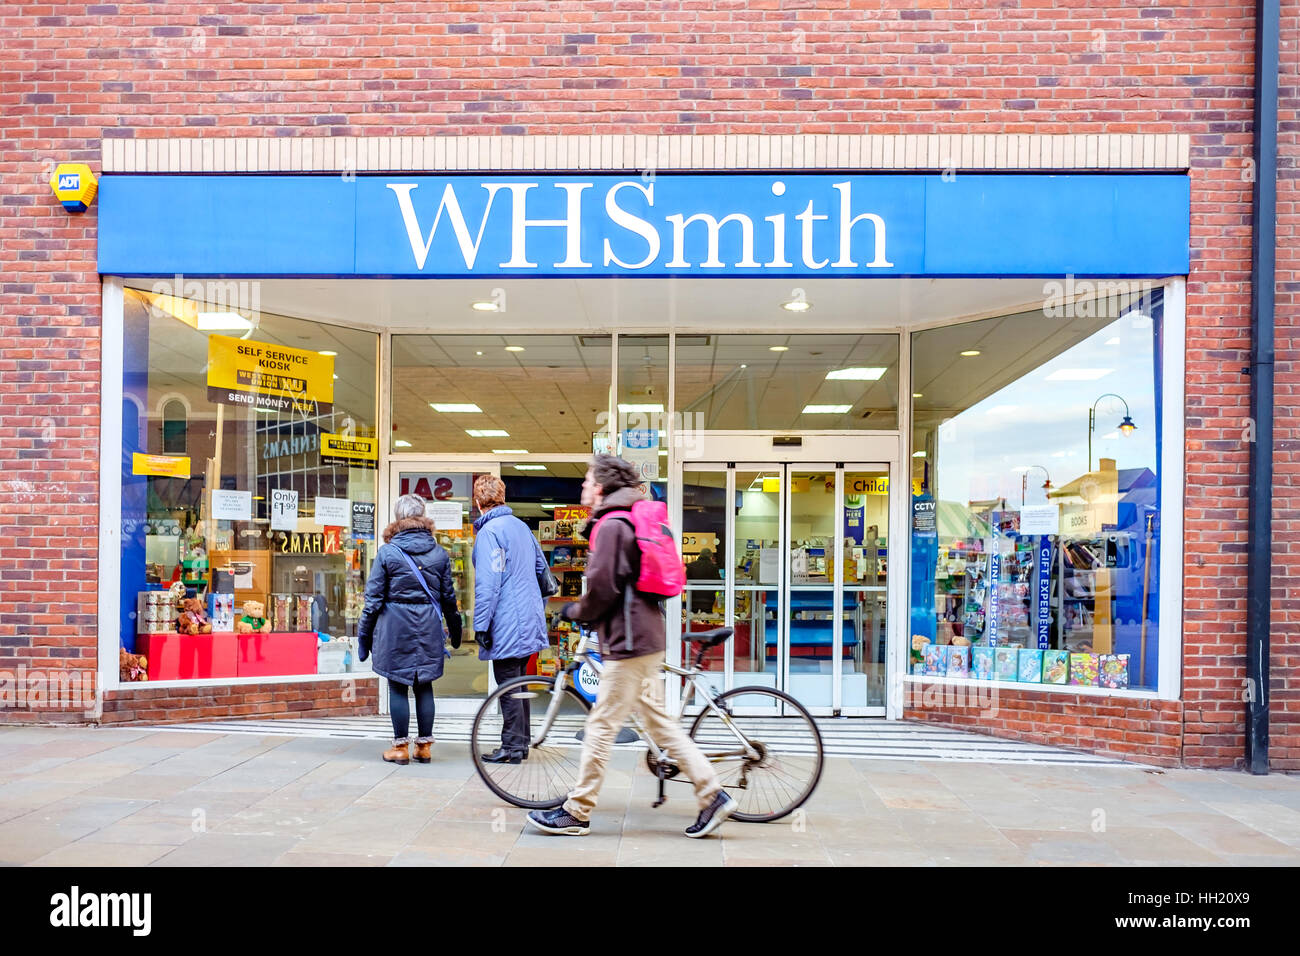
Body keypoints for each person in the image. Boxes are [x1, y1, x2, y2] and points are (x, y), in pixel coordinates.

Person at [527, 454, 737, 838]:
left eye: (588, 480)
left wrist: (576, 609)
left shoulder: (610, 526)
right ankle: (713, 794)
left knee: (601, 727)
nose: (583, 487)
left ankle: (577, 811)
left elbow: (603, 588)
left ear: (603, 486)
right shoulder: (628, 519)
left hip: (627, 644)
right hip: (647, 638)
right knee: (661, 727)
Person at [357, 493, 462, 765]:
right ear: (422, 516)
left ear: (398, 518)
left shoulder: (388, 553)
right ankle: (424, 747)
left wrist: (364, 638)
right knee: (425, 686)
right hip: (428, 627)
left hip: (394, 628)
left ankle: (400, 749)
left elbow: (373, 601)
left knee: (398, 686)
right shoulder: (439, 553)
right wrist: (456, 629)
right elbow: (449, 598)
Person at [471, 474, 550, 763]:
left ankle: (512, 747)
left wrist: (481, 625)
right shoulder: (522, 528)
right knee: (520, 683)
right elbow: (543, 571)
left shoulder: (490, 532)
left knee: (507, 685)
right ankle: (522, 742)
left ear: (478, 502)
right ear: (502, 497)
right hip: (528, 618)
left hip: (505, 620)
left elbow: (488, 584)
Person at [686, 547, 720, 615]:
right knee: (707, 618)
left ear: (700, 555)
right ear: (710, 557)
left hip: (693, 599)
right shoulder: (713, 567)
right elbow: (718, 583)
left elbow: (686, 580)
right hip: (708, 600)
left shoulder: (691, 566)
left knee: (693, 618)